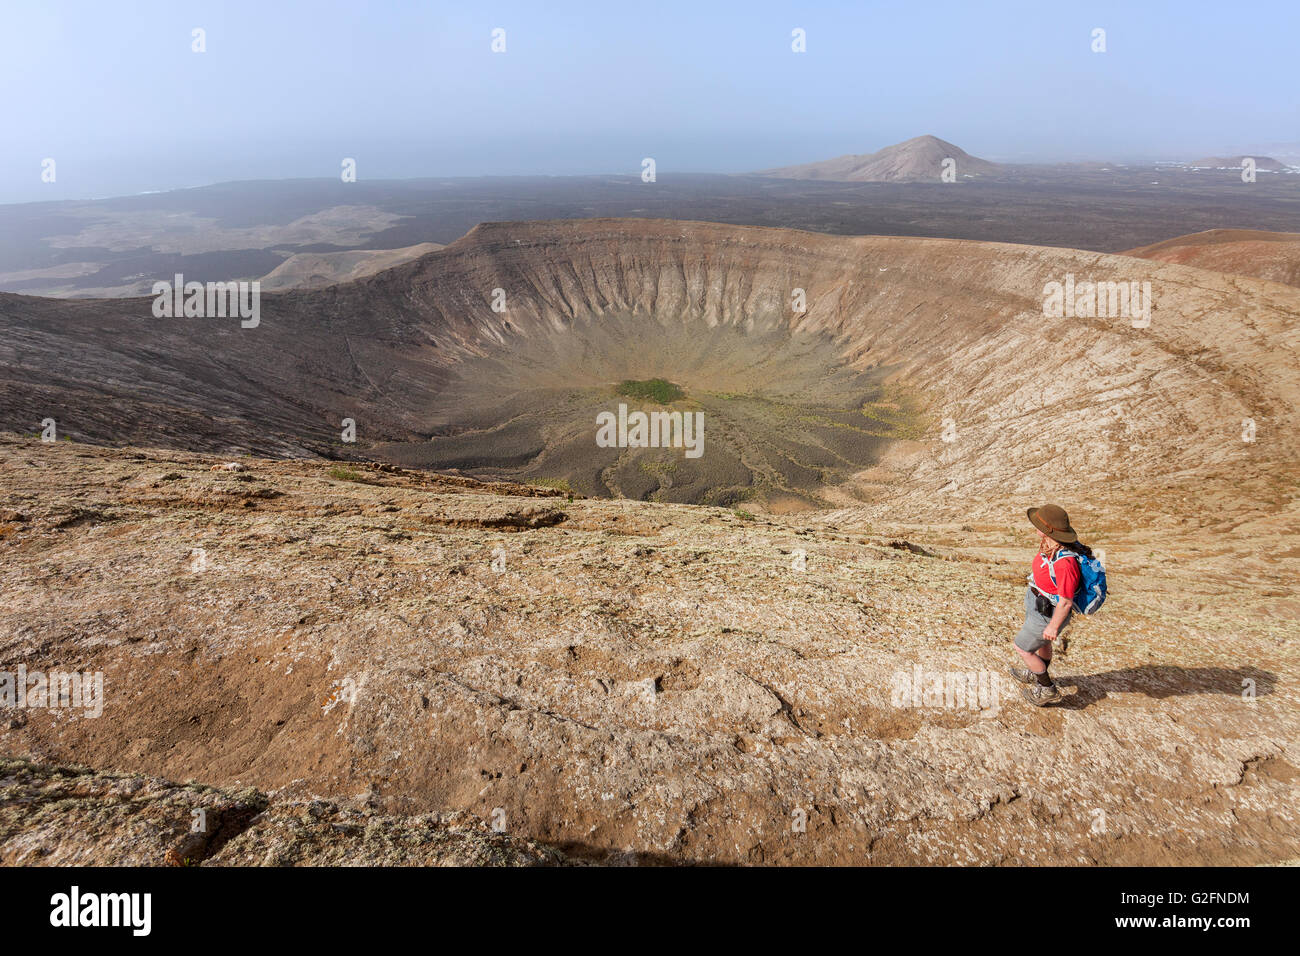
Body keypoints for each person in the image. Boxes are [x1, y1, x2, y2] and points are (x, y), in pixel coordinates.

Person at [1009, 504, 1096, 706]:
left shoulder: (1065, 563)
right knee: (1042, 644)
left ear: (1049, 530)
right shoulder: (1050, 544)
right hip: (1039, 604)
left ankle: (1047, 688)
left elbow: (1065, 601)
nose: (1034, 524)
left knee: (1023, 648)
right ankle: (1036, 672)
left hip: (1048, 613)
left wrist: (1053, 626)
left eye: (1039, 522)